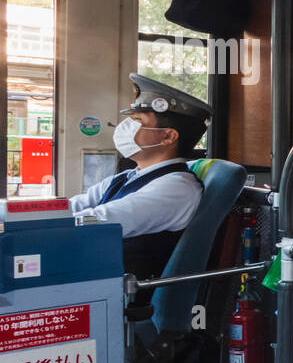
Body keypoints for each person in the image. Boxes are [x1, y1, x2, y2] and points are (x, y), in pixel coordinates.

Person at [71, 73, 212, 283]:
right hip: (94, 275)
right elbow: (75, 205)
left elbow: (102, 219)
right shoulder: (124, 178)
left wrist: (36, 229)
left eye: (137, 121)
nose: (124, 127)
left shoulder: (177, 188)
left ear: (168, 136)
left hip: (122, 293)